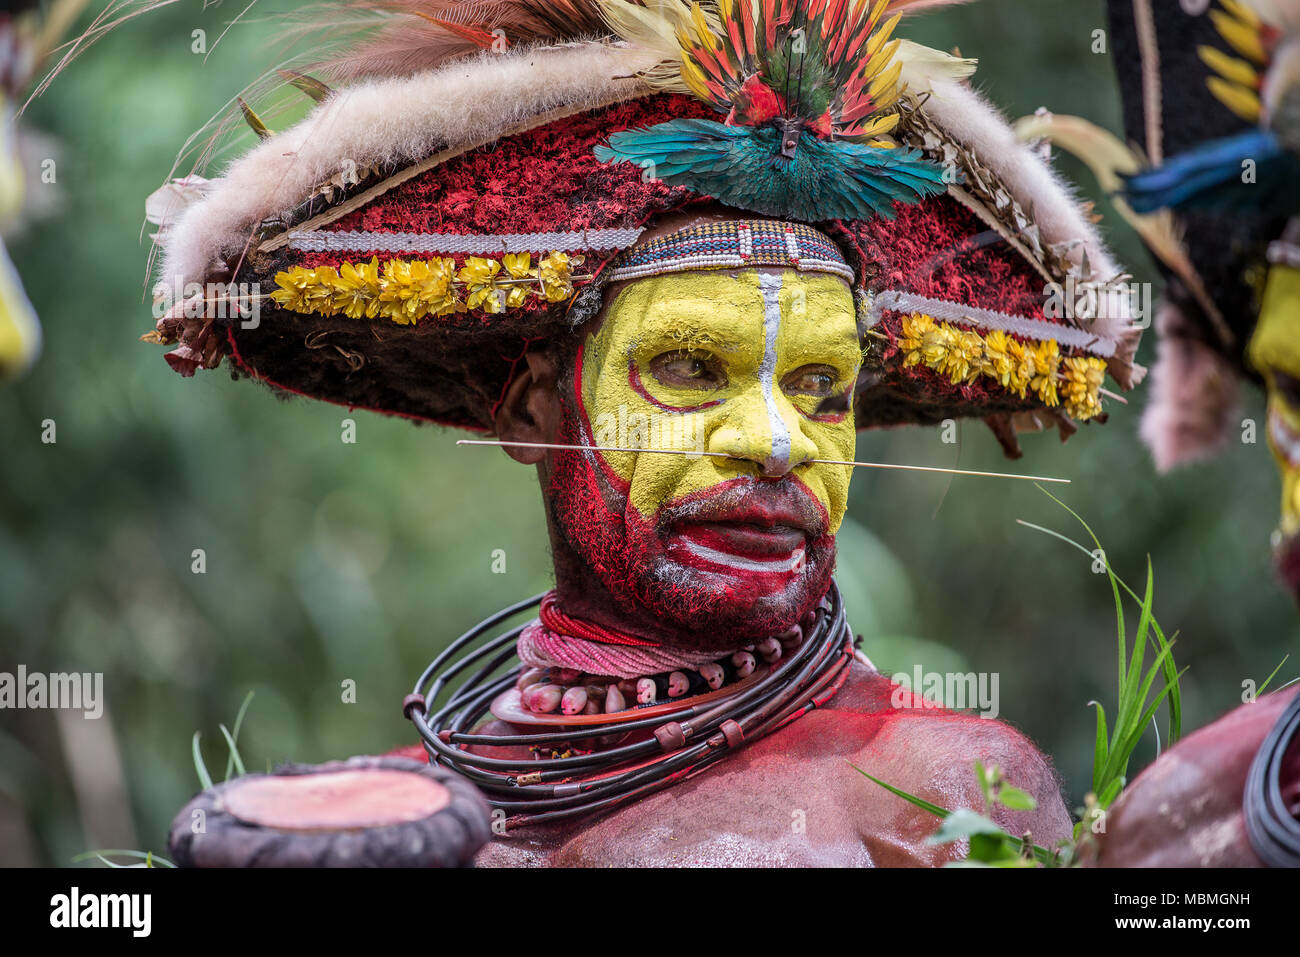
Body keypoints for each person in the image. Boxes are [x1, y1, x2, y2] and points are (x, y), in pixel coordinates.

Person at [146, 0, 1142, 866]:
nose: (776, 441)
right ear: (532, 409)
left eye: (819, 387)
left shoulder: (939, 794)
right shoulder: (406, 810)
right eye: (687, 369)